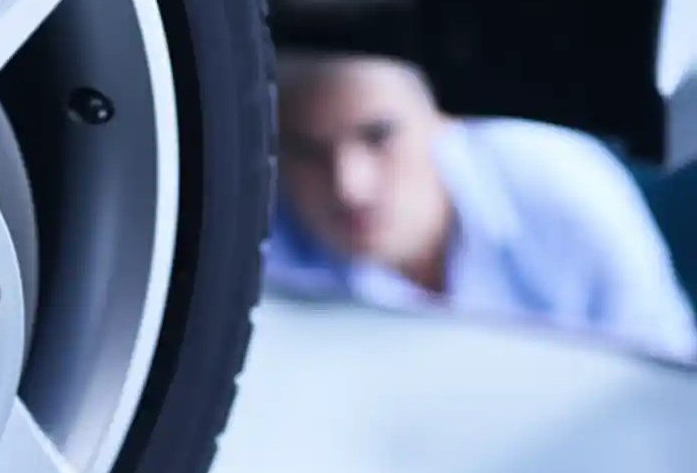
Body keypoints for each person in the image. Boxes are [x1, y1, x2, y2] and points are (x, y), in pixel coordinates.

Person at [262, 51, 697, 358]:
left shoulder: (560, 183)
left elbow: (662, 374)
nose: (349, 187)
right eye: (306, 150)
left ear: (445, 118)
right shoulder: (259, 238)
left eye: (379, 136)